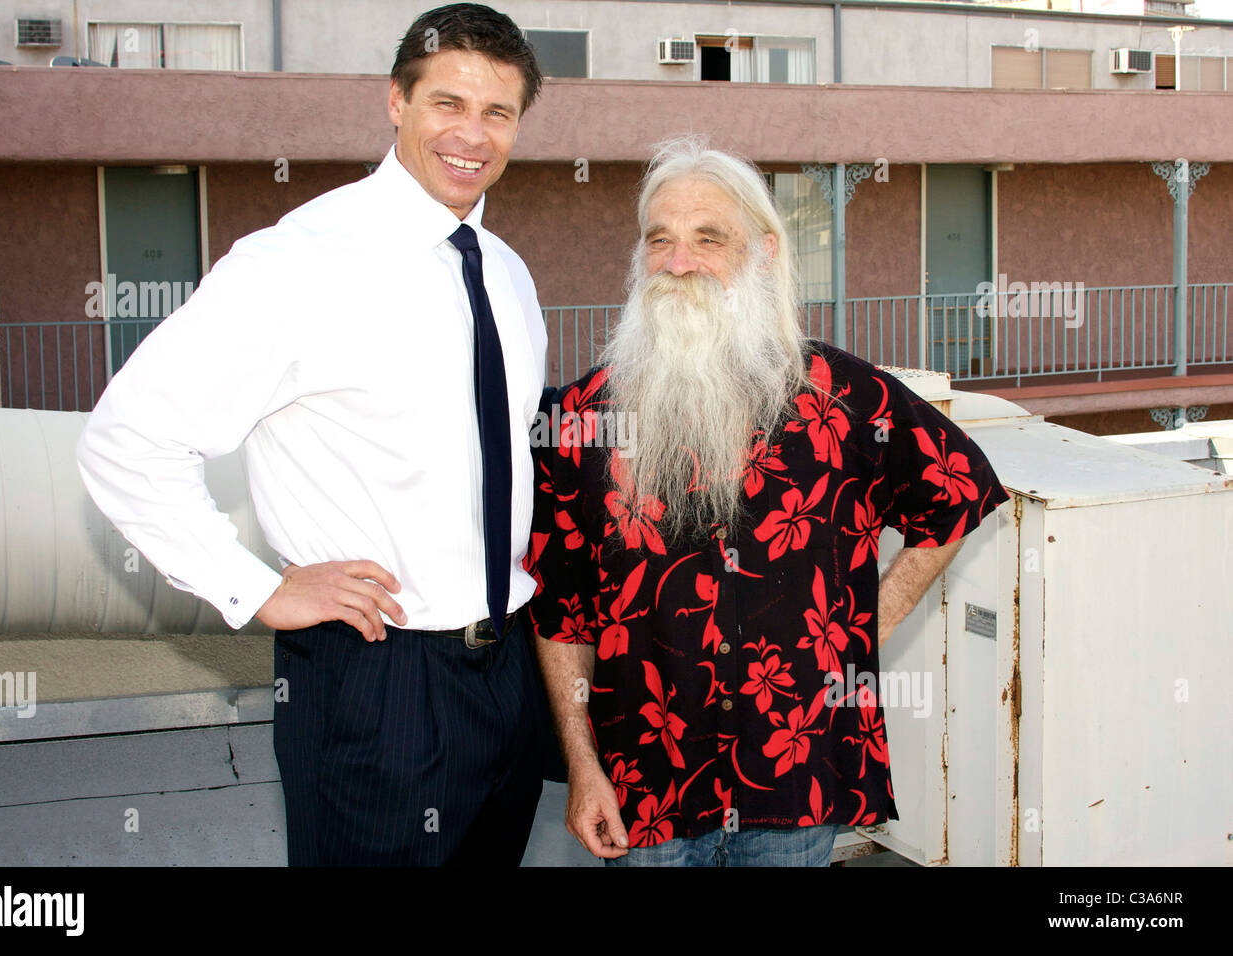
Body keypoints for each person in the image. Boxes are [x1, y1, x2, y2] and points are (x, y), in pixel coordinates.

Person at [76, 4, 549, 866]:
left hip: (504, 675)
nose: (472, 135)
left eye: (498, 112)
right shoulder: (299, 261)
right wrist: (255, 588)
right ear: (396, 101)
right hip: (375, 680)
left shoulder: (508, 275)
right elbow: (126, 439)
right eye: (447, 103)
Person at [525, 138, 1011, 867]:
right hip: (644, 787)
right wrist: (582, 764)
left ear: (764, 252)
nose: (678, 262)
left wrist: (866, 623)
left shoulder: (846, 399)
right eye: (659, 239)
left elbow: (959, 491)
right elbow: (560, 614)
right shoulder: (582, 421)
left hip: (796, 776)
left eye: (708, 239)